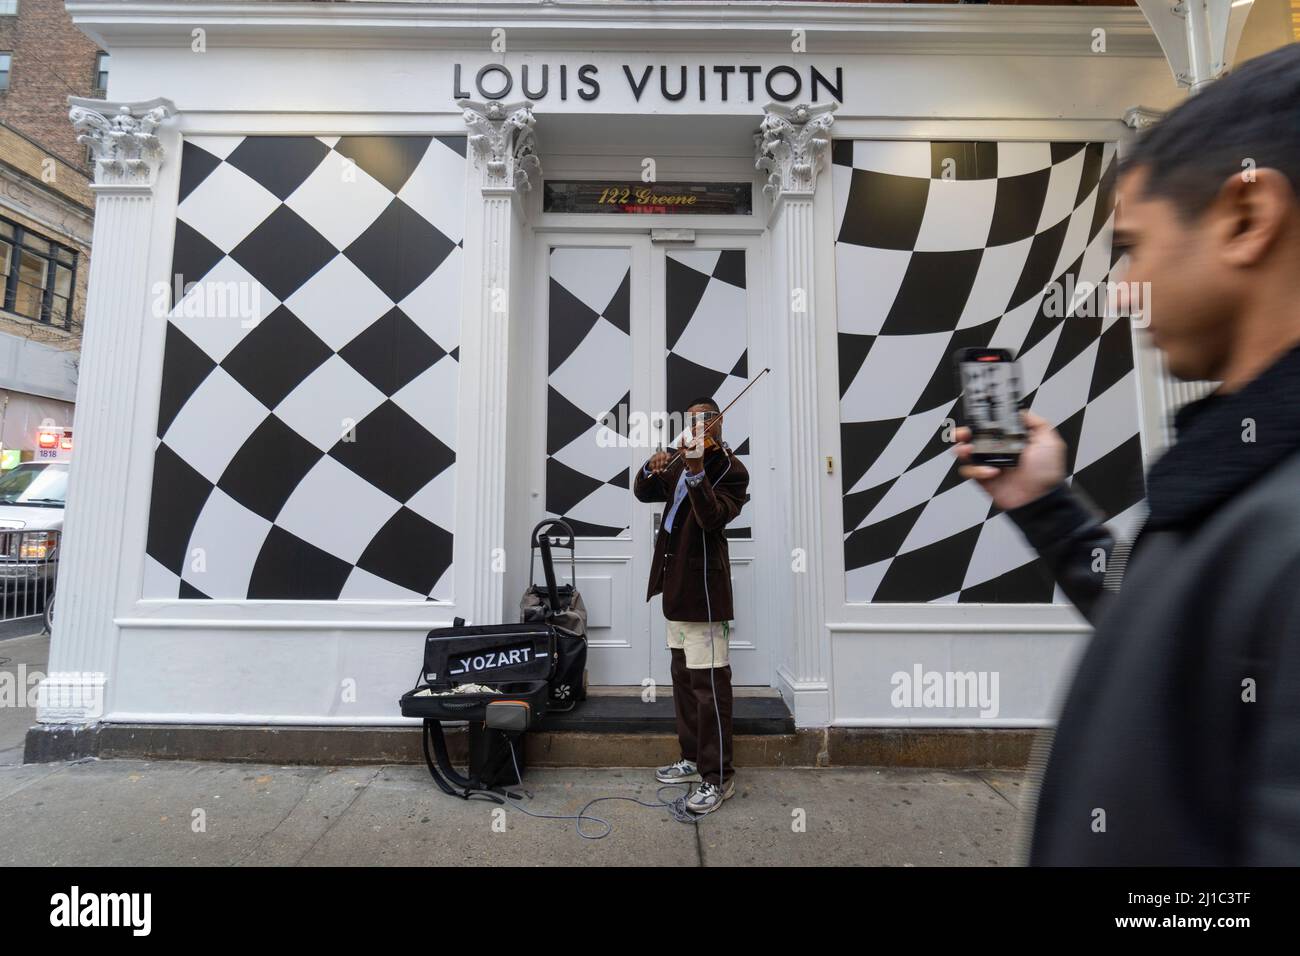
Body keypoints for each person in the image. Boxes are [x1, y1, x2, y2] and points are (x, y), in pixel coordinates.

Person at [954, 43, 1300, 865]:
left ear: (1247, 219)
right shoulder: (1243, 475)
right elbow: (1167, 642)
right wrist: (1045, 506)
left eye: (1136, 247)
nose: (1120, 288)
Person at [634, 397, 750, 814]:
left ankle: (718, 777)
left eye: (707, 419)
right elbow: (644, 491)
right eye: (693, 420)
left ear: (719, 424)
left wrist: (699, 473)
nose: (699, 426)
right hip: (676, 589)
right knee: (683, 680)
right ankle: (691, 759)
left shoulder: (730, 471)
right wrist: (653, 465)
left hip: (705, 593)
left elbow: (712, 518)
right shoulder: (681, 463)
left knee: (710, 688)